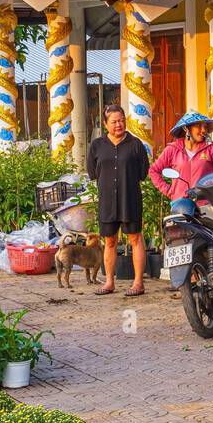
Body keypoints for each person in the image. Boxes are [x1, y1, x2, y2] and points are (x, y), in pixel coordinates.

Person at [86, 104, 149, 297]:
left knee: (135, 238)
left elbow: (143, 172)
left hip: (130, 198)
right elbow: (92, 172)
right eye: (114, 122)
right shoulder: (96, 146)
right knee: (110, 241)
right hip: (107, 201)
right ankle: (109, 282)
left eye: (121, 120)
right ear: (105, 124)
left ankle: (138, 283)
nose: (119, 125)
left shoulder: (136, 144)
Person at [149, 111, 213, 201]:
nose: (204, 130)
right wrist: (169, 190)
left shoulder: (212, 148)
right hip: (181, 205)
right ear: (186, 128)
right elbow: (153, 171)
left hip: (206, 206)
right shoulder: (173, 149)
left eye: (205, 126)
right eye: (198, 126)